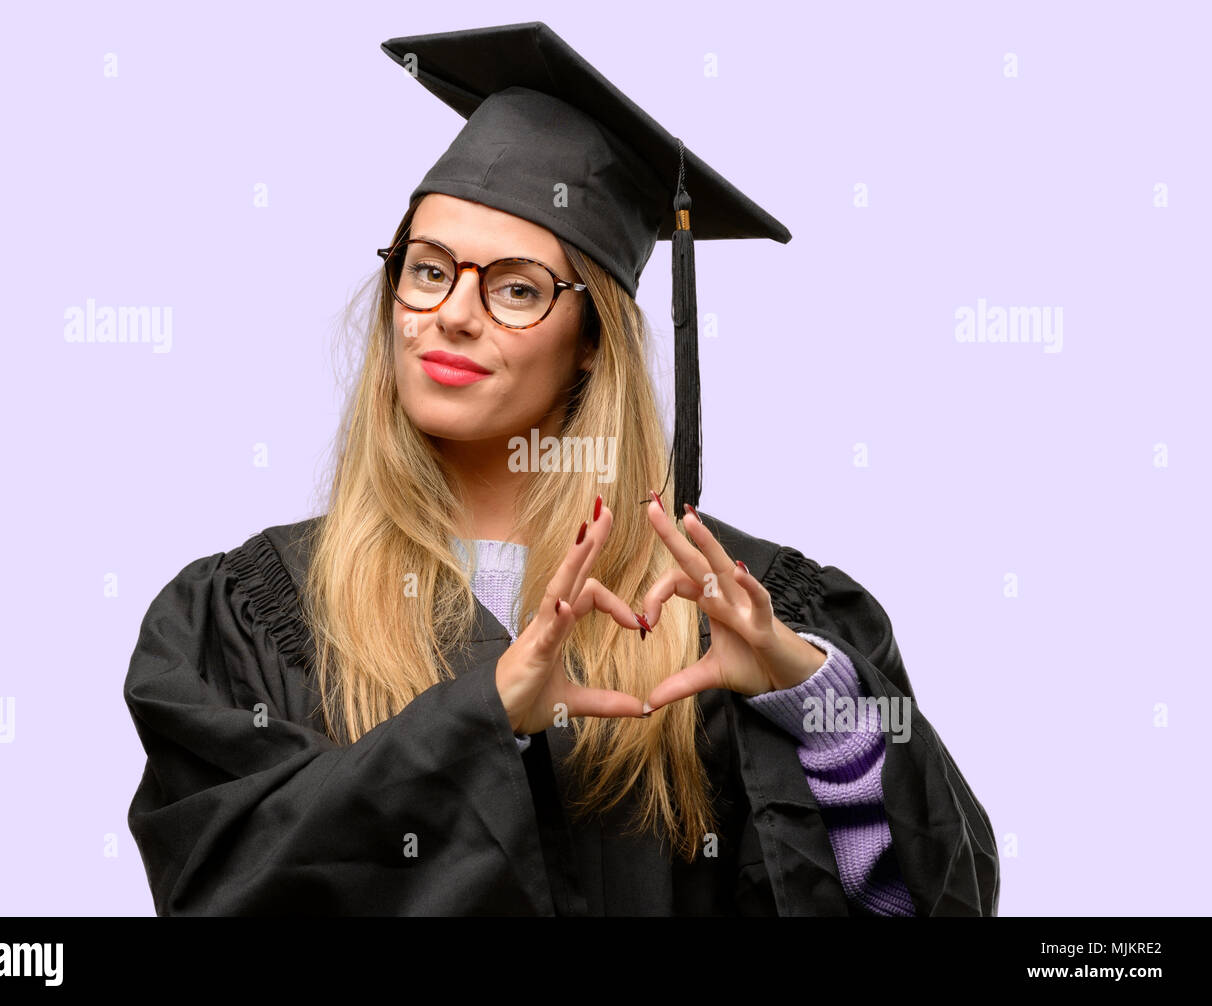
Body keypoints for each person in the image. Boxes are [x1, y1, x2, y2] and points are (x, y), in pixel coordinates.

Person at [123, 21, 999, 916]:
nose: (452, 314)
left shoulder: (733, 610)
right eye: (427, 271)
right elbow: (223, 886)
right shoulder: (261, 609)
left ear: (590, 344)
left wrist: (811, 705)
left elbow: (922, 904)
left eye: (514, 287)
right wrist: (483, 714)